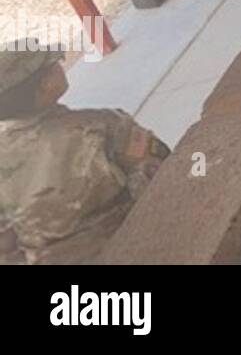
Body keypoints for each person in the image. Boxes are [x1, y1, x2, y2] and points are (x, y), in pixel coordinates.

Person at [0, 43, 170, 264]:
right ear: (45, 85)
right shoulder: (102, 127)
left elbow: (7, 249)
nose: (61, 63)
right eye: (54, 63)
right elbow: (163, 177)